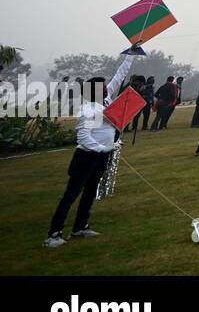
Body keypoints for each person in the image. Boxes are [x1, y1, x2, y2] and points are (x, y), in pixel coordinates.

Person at [44, 53, 137, 247]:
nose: (107, 89)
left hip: (101, 156)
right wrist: (103, 148)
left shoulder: (106, 99)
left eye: (106, 87)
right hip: (86, 157)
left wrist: (131, 55)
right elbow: (83, 137)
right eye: (103, 88)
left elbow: (119, 76)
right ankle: (54, 234)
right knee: (71, 194)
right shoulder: (88, 109)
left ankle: (80, 227)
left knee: (89, 192)